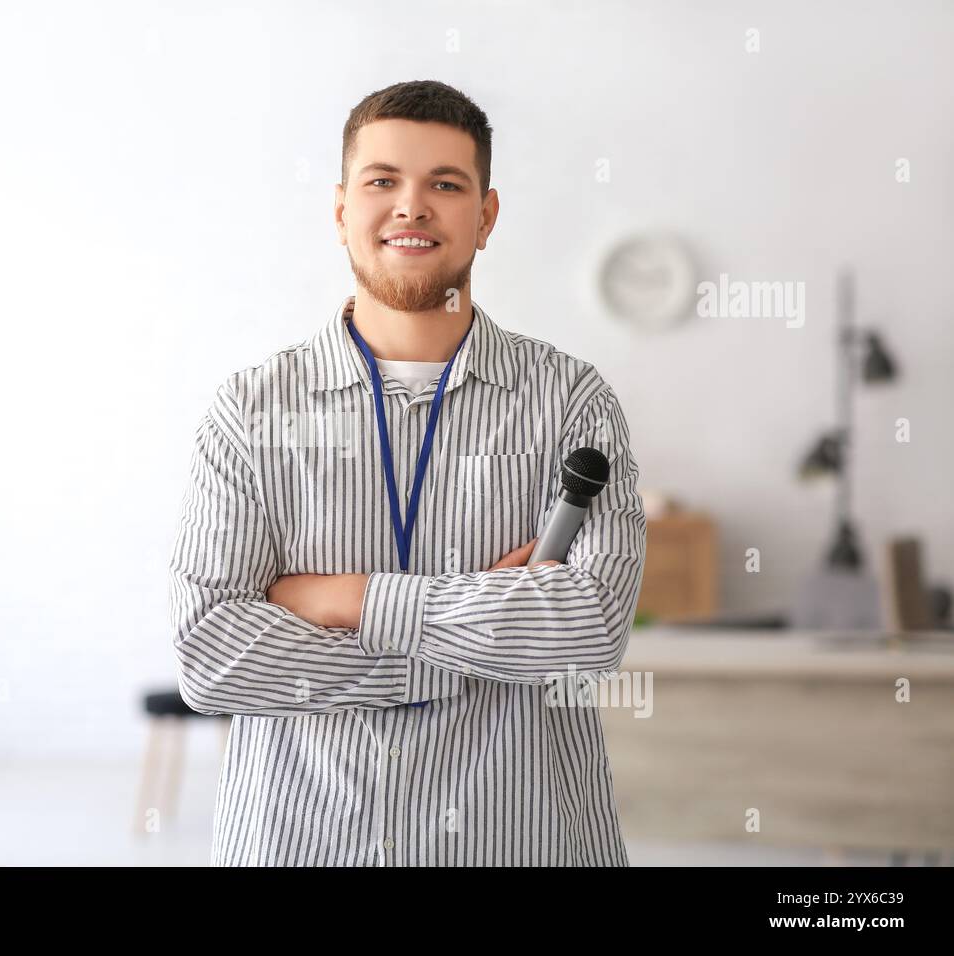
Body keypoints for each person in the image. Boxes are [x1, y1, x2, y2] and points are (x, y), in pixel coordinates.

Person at [167, 79, 646, 866]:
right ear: (340, 209)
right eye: (382, 180)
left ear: (485, 217)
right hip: (301, 844)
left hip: (520, 843)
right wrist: (476, 634)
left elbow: (588, 631)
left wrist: (342, 600)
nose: (410, 207)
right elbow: (212, 657)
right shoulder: (249, 411)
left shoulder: (571, 401)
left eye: (445, 185)